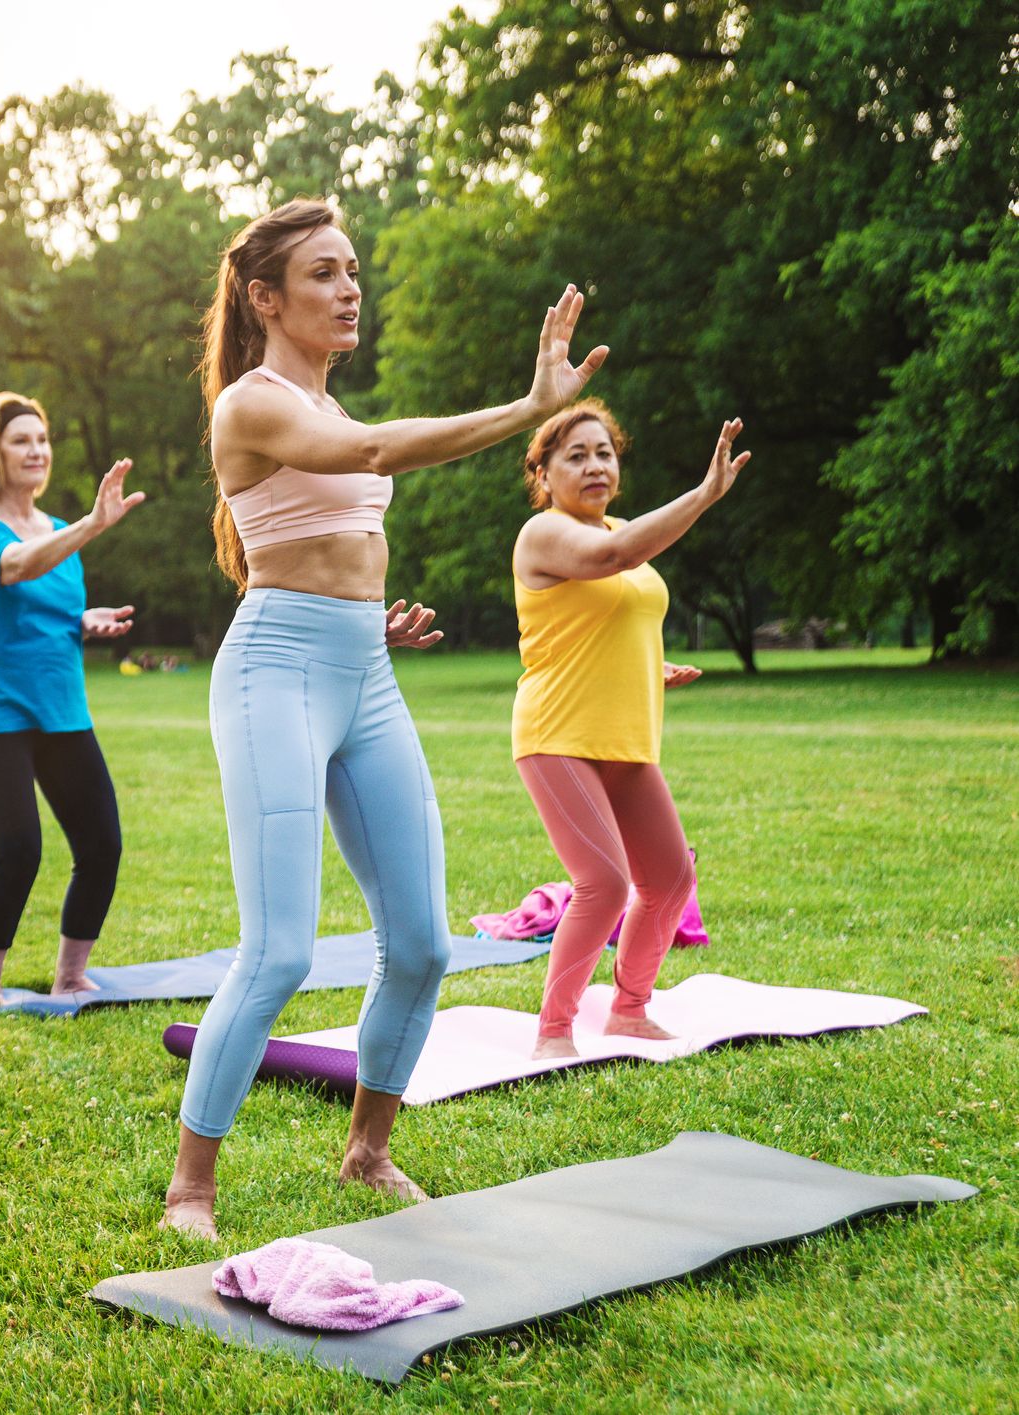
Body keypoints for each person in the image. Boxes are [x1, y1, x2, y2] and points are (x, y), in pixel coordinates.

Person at [163, 198, 608, 1236]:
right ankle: (191, 1185)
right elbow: (367, 457)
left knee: (420, 943)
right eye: (323, 273)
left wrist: (370, 622)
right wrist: (525, 406)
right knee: (276, 951)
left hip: (360, 672)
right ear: (265, 298)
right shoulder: (250, 404)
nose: (349, 288)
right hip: (271, 672)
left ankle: (367, 1151)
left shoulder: (321, 408)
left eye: (353, 269)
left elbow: (340, 519)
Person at [512, 400, 748, 1060]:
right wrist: (703, 496)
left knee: (669, 878)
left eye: (604, 453)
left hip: (622, 735)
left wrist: (649, 665)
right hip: (557, 734)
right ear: (544, 473)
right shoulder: (544, 534)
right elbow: (614, 555)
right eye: (575, 455)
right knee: (604, 882)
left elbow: (608, 615)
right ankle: (553, 1029)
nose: (594, 465)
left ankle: (629, 1010)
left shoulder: (618, 527)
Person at [0, 392, 140, 1005]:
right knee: (19, 850)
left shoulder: (57, 531)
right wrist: (93, 525)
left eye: (42, 440)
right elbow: (15, 569)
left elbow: (44, 606)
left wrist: (84, 621)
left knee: (101, 844)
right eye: (20, 440)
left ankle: (71, 973)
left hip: (61, 708)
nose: (36, 451)